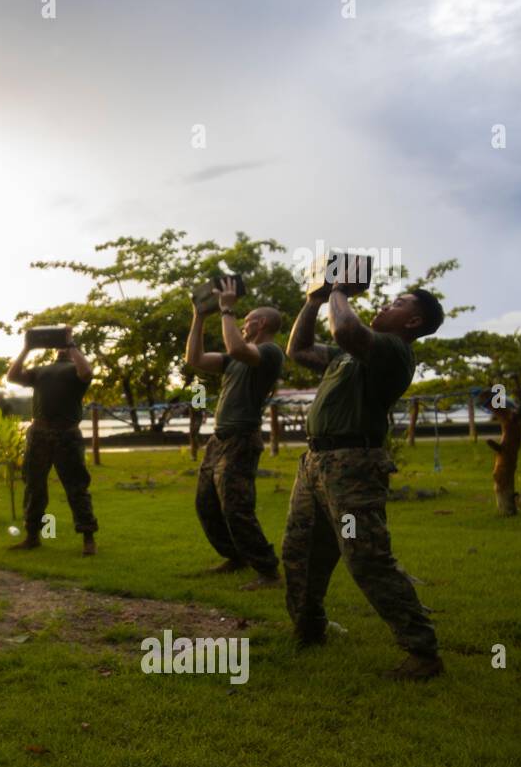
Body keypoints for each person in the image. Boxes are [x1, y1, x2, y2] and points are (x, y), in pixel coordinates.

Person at [285, 281, 447, 680]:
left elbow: (345, 330)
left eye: (397, 303)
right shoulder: (346, 357)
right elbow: (299, 349)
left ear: (413, 321)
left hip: (353, 466)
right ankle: (310, 630)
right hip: (316, 463)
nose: (385, 305)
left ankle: (423, 652)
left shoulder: (394, 351)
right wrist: (313, 300)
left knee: (366, 556)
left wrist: (339, 290)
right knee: (301, 549)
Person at [184, 281, 285, 589]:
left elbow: (237, 348)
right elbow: (195, 360)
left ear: (262, 323)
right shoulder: (233, 360)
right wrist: (199, 316)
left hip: (242, 439)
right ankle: (235, 557)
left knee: (237, 508)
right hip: (219, 441)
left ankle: (268, 571)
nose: (242, 323)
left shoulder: (269, 352)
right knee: (206, 505)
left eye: (248, 320)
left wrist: (227, 307)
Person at [6, 326, 98, 555]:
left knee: (77, 487)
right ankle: (32, 536)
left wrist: (71, 344)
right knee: (34, 486)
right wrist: (27, 347)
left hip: (67, 435)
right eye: (57, 344)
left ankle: (88, 537)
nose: (59, 348)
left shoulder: (76, 369)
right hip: (39, 434)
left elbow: (87, 373)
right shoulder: (41, 370)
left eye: (63, 344)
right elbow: (12, 376)